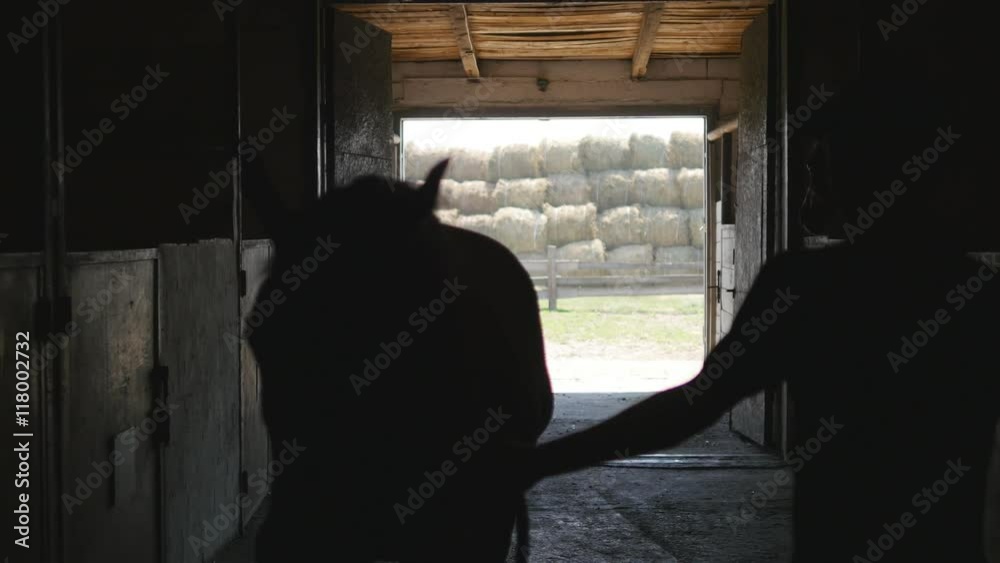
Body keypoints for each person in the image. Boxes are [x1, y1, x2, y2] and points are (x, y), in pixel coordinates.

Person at [522, 80, 999, 562]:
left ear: (862, 174)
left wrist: (546, 460)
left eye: (822, 169)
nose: (812, 185)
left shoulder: (809, 287)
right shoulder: (979, 292)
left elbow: (694, 405)